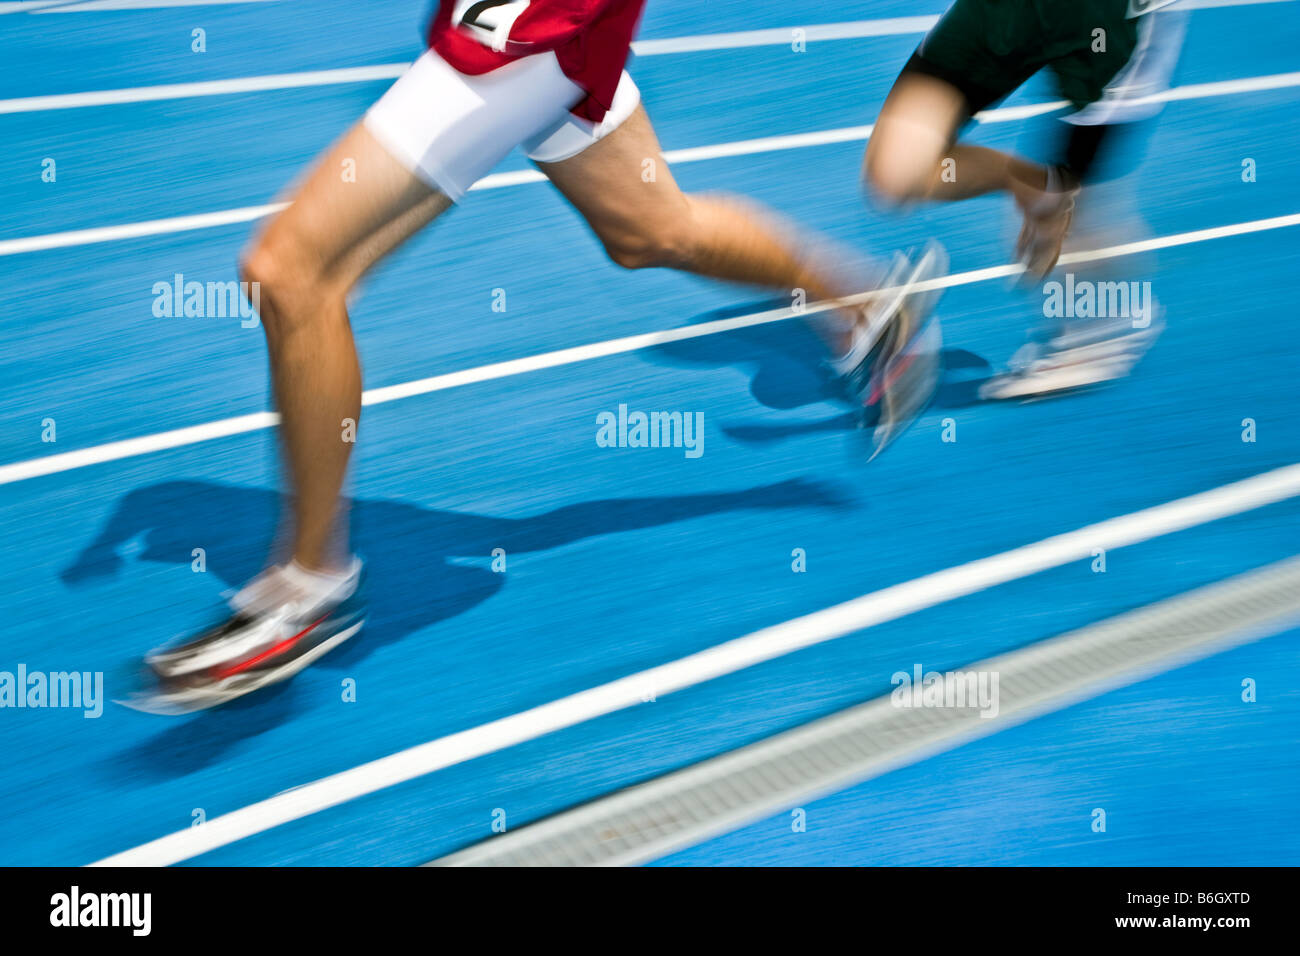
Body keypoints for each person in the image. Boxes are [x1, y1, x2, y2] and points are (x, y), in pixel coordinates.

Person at [134, 0, 945, 713]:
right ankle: (868, 306)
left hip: (532, 25)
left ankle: (308, 586)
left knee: (290, 272)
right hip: (547, 27)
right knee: (648, 231)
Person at [861, 0, 1186, 398]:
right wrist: (1028, 182)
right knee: (895, 174)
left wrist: (1068, 184)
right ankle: (1033, 185)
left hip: (1109, 18)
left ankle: (1101, 330)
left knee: (1082, 207)